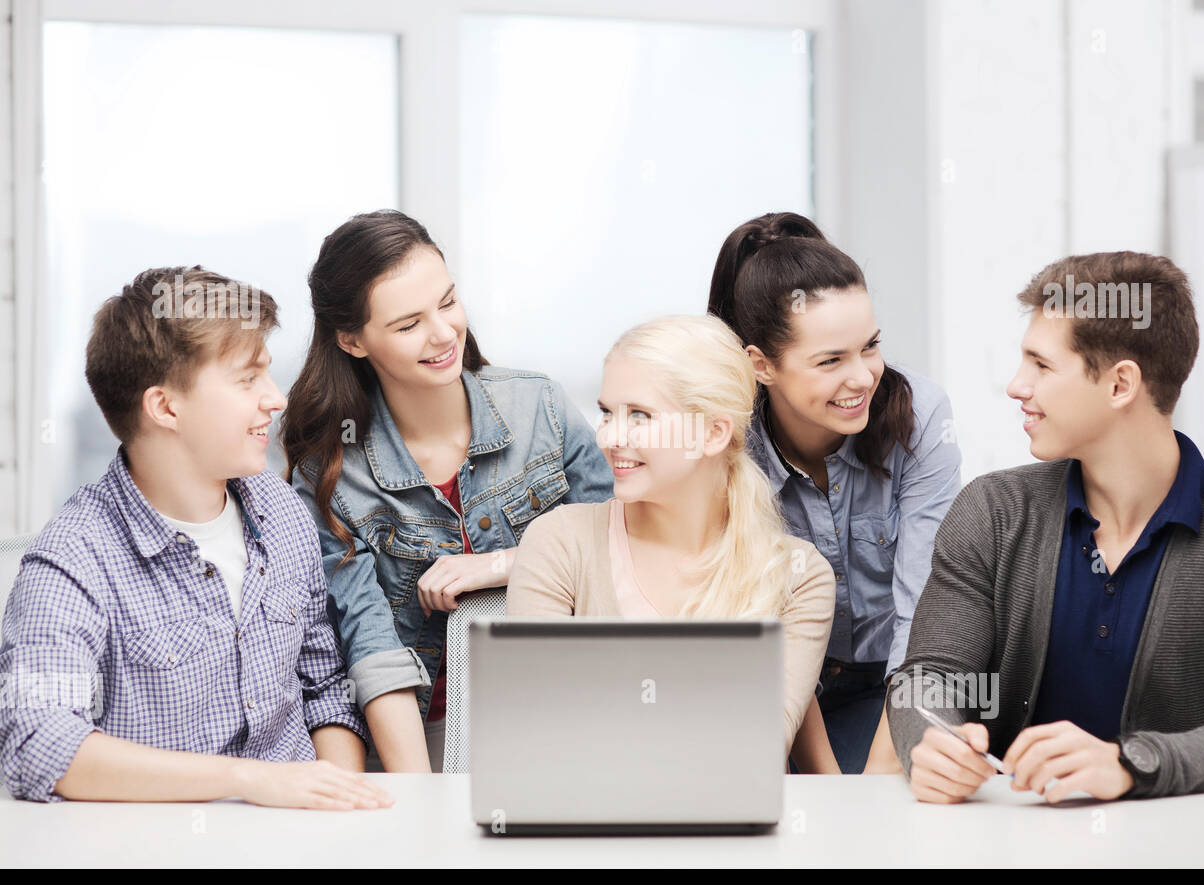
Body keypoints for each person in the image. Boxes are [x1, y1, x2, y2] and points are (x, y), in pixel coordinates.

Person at [888, 251, 1204, 803]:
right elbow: (926, 677)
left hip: (1186, 845)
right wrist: (934, 738)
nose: (1016, 386)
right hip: (1005, 836)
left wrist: (1132, 764)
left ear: (1120, 384)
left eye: (1041, 365)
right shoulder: (992, 512)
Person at [0, 267, 386, 809]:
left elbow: (325, 691)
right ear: (165, 407)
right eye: (247, 379)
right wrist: (248, 780)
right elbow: (38, 744)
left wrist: (335, 801)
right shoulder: (73, 558)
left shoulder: (282, 511)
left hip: (300, 838)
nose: (275, 399)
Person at [282, 210, 613, 772]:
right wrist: (419, 796)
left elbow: (620, 545)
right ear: (353, 341)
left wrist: (501, 564)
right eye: (408, 324)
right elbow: (371, 645)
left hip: (564, 711)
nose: (442, 334)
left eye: (448, 302)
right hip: (417, 734)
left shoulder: (542, 408)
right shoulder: (331, 474)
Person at [507, 315, 836, 764]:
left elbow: (756, 753)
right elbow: (536, 733)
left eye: (639, 415)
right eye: (608, 413)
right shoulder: (559, 542)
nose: (609, 437)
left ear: (713, 433)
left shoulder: (799, 576)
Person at [708, 212, 962, 774]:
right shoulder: (727, 443)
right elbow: (758, 628)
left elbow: (925, 611)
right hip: (782, 688)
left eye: (870, 347)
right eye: (830, 361)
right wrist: (832, 786)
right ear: (761, 364)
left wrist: (880, 771)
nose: (863, 377)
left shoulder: (921, 417)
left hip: (896, 680)